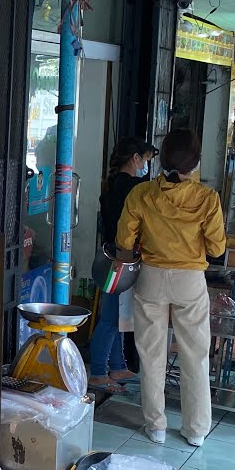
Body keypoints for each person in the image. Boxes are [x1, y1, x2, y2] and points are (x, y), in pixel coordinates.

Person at [116, 129, 226, 447]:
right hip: (190, 281)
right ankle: (196, 430)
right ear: (196, 163)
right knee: (195, 355)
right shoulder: (207, 198)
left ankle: (156, 426)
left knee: (151, 355)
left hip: (150, 276)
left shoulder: (141, 194)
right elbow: (217, 248)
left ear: (162, 159)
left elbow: (124, 240)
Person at [89, 138, 156, 391]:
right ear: (135, 159)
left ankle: (117, 366)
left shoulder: (113, 184)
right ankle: (97, 371)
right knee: (110, 318)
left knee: (118, 316)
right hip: (121, 260)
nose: (146, 166)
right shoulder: (134, 187)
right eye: (146, 161)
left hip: (110, 257)